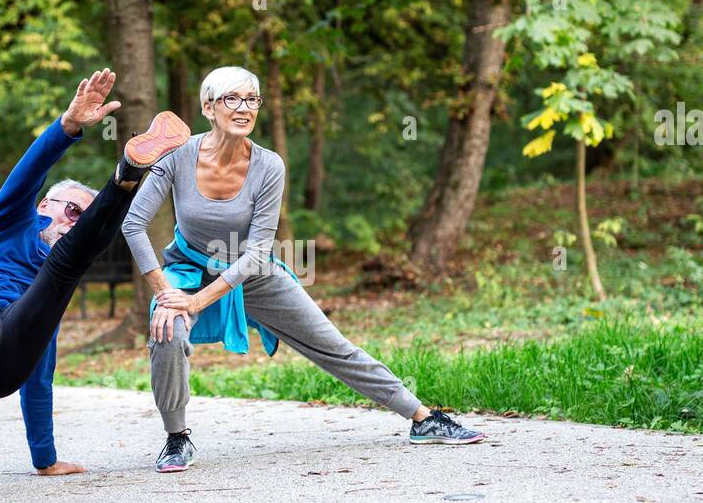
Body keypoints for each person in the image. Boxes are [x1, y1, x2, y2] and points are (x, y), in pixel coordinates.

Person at [121, 65, 486, 474]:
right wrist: (165, 293)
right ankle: (176, 438)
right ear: (208, 107)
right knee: (166, 329)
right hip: (187, 268)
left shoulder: (268, 165)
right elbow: (133, 224)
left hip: (252, 271)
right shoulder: (177, 157)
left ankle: (422, 418)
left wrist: (199, 302)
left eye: (251, 100)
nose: (243, 109)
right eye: (231, 99)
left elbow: (258, 249)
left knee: (330, 343)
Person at [0, 68, 190, 503]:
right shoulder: (11, 219)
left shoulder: (51, 277)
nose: (74, 221)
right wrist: (69, 126)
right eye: (73, 210)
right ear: (45, 206)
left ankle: (129, 173)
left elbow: (39, 377)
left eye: (86, 215)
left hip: (0, 364)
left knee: (66, 267)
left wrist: (46, 459)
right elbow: (29, 169)